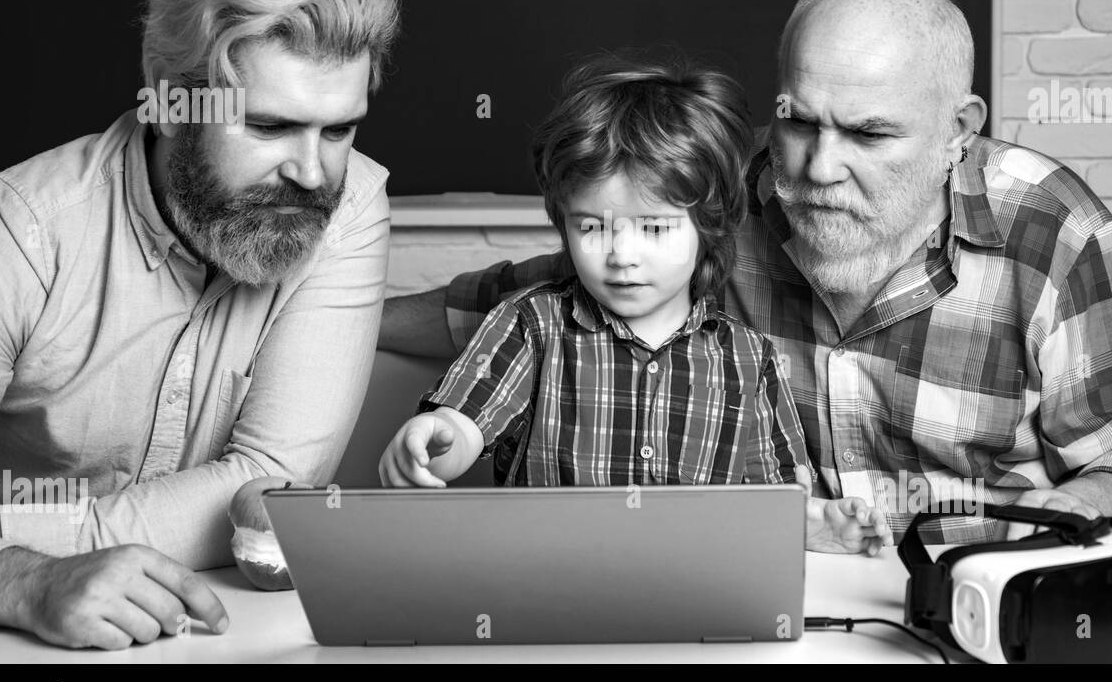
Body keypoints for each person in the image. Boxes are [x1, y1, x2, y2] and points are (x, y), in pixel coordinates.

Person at [380, 0, 1112, 547]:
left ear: (959, 131)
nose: (815, 166)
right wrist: (314, 324)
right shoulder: (731, 195)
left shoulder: (1052, 231)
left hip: (974, 585)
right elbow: (532, 300)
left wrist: (1046, 549)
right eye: (799, 121)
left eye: (870, 133)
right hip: (795, 594)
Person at [0, 0, 401, 648]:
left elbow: (275, 478)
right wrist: (20, 577)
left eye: (339, 129)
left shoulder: (351, 204)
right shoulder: (20, 229)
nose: (313, 174)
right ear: (169, 97)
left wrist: (8, 530)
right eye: (269, 126)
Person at [379, 53, 892, 552]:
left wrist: (812, 526)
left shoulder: (748, 358)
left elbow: (776, 500)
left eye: (653, 228)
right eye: (590, 227)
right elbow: (467, 422)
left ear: (708, 226)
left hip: (694, 596)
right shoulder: (530, 325)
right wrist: (434, 440)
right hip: (548, 586)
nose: (621, 255)